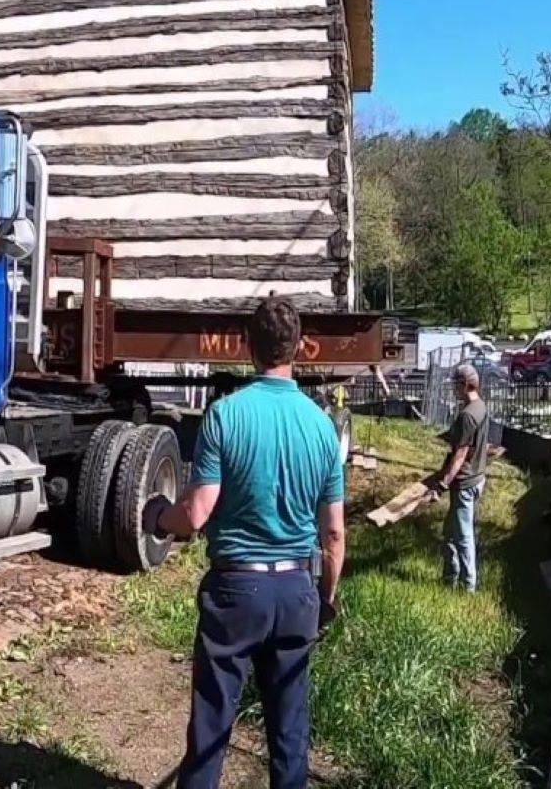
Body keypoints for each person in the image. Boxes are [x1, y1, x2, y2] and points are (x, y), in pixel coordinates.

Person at [146, 297, 347, 789]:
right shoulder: (322, 426)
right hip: (297, 588)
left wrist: (158, 516)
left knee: (212, 723)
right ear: (298, 347)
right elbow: (334, 533)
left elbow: (196, 515)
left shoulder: (224, 416)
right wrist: (325, 596)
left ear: (246, 346)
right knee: (290, 730)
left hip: (236, 591)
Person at [428, 363, 490, 593]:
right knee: (450, 534)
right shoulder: (480, 406)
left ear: (465, 385)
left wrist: (442, 485)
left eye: (455, 385)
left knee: (463, 537)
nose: (453, 389)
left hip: (464, 483)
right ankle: (450, 577)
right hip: (478, 477)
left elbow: (460, 455)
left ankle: (468, 588)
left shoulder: (467, 415)